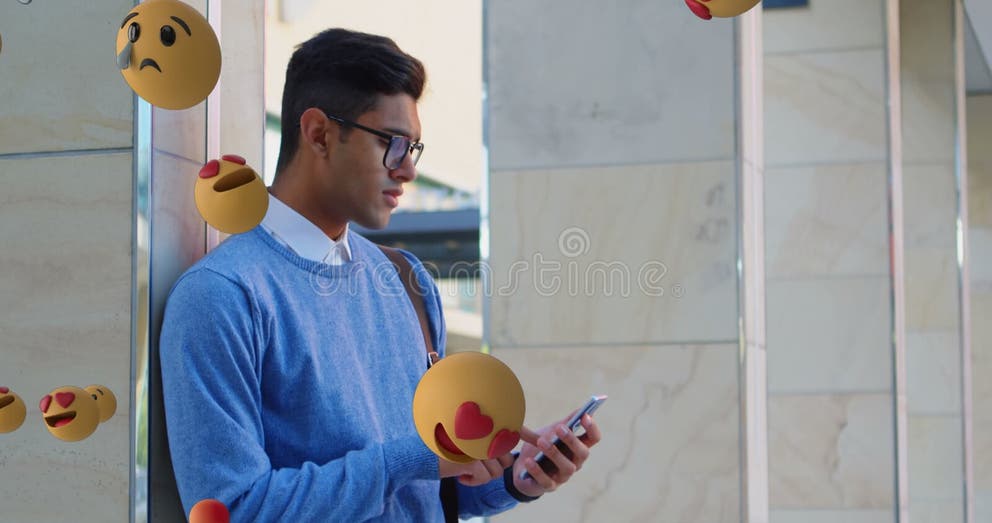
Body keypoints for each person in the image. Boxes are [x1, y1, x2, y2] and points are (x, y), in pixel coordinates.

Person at [159, 28, 602, 522]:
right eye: (393, 144)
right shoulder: (222, 297)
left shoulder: (405, 280)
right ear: (319, 134)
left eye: (414, 148)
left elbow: (424, 495)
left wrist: (513, 481)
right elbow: (234, 510)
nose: (408, 170)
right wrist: (408, 458)